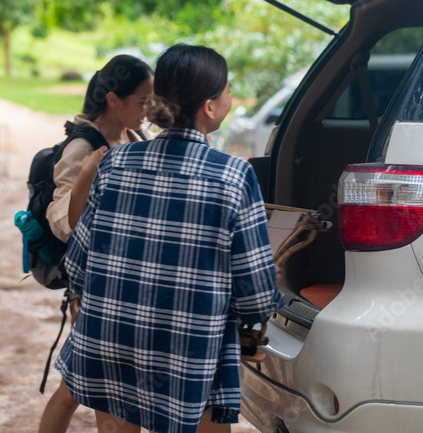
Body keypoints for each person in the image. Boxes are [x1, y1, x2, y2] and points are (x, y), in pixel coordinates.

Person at [55, 44, 283, 433]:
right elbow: (255, 296)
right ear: (210, 107)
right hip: (187, 357)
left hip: (111, 343)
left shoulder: (116, 162)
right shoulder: (233, 176)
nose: (231, 97)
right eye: (228, 89)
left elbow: (77, 266)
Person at [38, 54, 153, 433]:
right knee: (111, 395)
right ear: (113, 99)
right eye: (142, 101)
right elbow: (62, 223)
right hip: (92, 290)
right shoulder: (82, 148)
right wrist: (87, 177)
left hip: (125, 286)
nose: (148, 110)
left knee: (75, 387)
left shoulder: (135, 137)